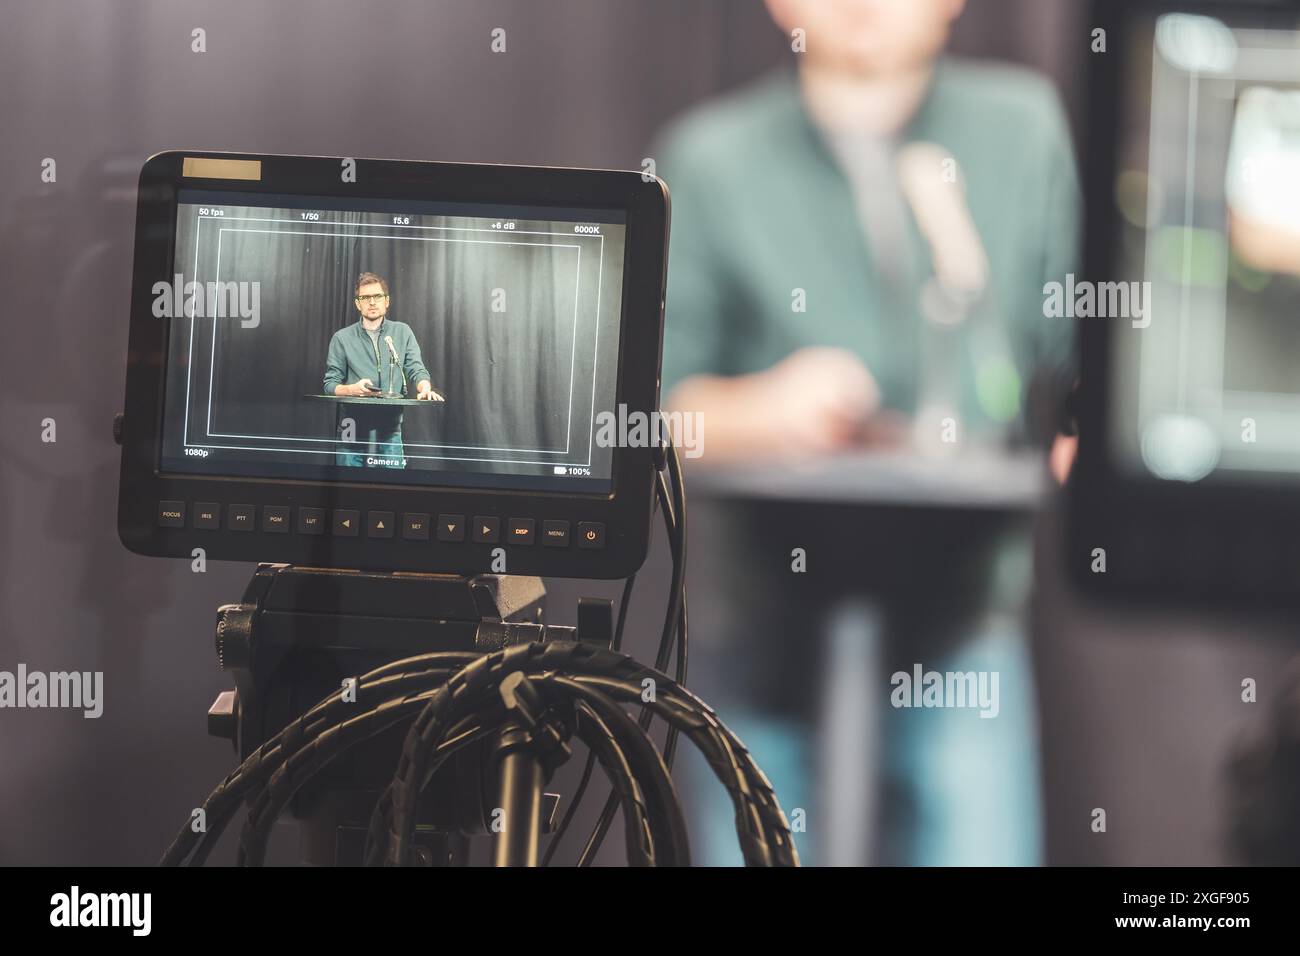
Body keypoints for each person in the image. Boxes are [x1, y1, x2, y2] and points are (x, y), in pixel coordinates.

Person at [653, 0, 1079, 864]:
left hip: (960, 622)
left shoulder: (1024, 132)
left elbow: (1075, 365)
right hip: (763, 620)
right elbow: (646, 412)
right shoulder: (708, 160)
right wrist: (761, 412)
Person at [322, 272, 443, 468]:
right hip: (351, 432)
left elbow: (416, 368)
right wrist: (351, 389)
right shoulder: (341, 338)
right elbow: (330, 385)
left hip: (390, 430)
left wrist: (424, 387)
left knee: (390, 493)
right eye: (365, 297)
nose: (372, 302)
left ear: (387, 301)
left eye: (377, 296)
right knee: (349, 494)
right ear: (357, 303)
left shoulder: (403, 332)